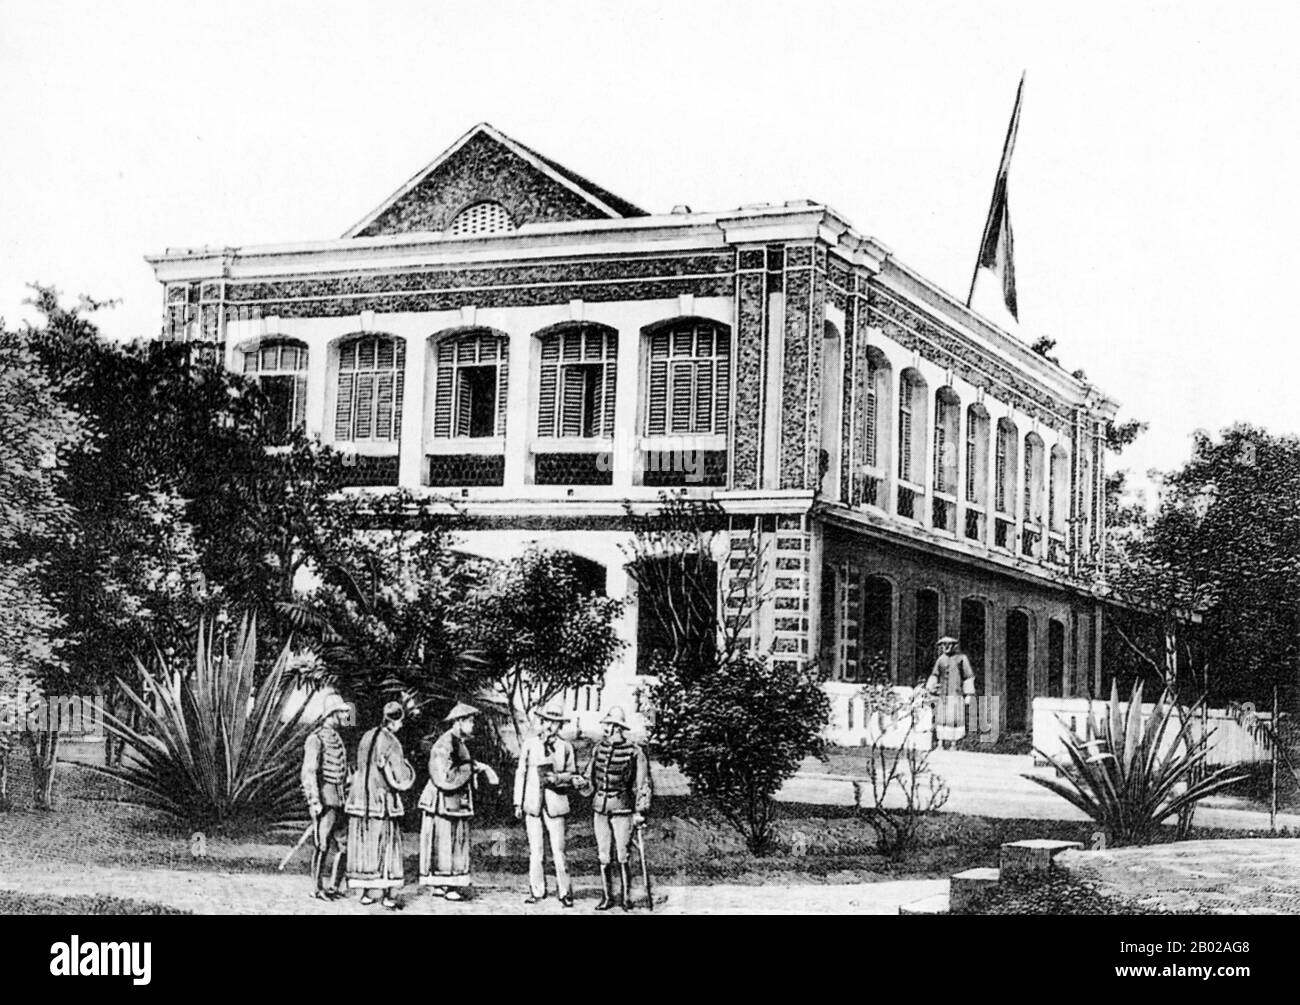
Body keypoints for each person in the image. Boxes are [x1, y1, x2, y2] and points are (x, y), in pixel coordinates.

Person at [418, 702, 499, 901]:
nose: (473, 726)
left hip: (452, 801)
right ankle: (445, 884)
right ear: (459, 722)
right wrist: (473, 767)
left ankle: (442, 884)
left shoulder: (458, 742)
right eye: (470, 721)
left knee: (451, 840)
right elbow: (444, 777)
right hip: (442, 802)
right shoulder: (445, 744)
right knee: (444, 841)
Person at [345, 701, 416, 909]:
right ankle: (388, 896)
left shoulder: (366, 737)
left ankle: (366, 893)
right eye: (401, 721)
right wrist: (409, 771)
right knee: (387, 845)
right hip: (381, 802)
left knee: (365, 844)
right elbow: (401, 778)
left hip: (360, 801)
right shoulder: (392, 742)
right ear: (394, 721)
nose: (401, 725)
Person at [579, 706, 650, 911]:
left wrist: (640, 811)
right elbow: (589, 777)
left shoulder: (635, 752)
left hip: (623, 808)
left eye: (608, 724)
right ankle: (607, 897)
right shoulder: (599, 749)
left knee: (622, 854)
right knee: (603, 855)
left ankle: (626, 898)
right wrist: (582, 783)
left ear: (617, 727)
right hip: (600, 808)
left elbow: (642, 784)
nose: (605, 728)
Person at [513, 702, 579, 907]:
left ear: (560, 726)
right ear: (542, 722)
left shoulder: (565, 747)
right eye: (548, 722)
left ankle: (565, 892)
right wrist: (518, 802)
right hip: (533, 803)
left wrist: (557, 778)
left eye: (556, 723)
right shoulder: (530, 744)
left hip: (555, 804)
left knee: (559, 850)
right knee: (536, 851)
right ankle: (537, 890)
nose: (551, 726)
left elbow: (573, 775)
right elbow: (521, 773)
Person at [301, 693, 351, 900]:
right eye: (342, 712)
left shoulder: (337, 737)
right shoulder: (316, 738)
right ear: (333, 713)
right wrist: (314, 801)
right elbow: (309, 772)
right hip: (325, 799)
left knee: (345, 844)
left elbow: (343, 770)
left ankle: (334, 886)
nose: (345, 715)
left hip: (340, 799)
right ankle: (317, 888)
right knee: (322, 844)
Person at [926, 636, 976, 749]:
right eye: (944, 645)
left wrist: (969, 694)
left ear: (954, 646)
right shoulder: (941, 659)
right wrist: (930, 687)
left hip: (956, 695)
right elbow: (935, 674)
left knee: (954, 718)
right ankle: (940, 743)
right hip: (943, 695)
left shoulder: (961, 658)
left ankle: (953, 744)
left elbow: (968, 676)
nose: (946, 647)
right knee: (941, 718)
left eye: (949, 644)